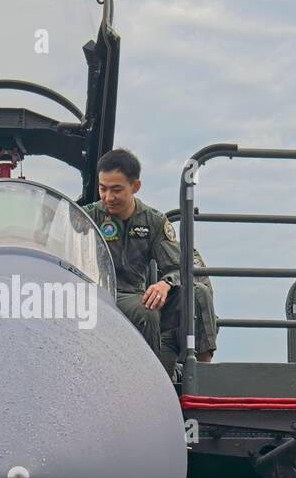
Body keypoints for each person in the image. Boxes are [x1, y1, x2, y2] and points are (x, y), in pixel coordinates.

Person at [82, 148, 182, 370]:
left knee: (193, 295)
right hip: (102, 294)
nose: (108, 197)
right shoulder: (87, 217)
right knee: (145, 312)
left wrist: (164, 284)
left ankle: (195, 371)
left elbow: (177, 268)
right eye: (103, 189)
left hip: (137, 293)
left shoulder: (153, 221)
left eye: (116, 189)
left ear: (135, 186)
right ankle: (150, 379)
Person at [161, 247, 219, 364]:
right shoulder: (149, 247)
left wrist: (169, 282)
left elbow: (202, 286)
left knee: (200, 293)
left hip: (187, 323)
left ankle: (203, 371)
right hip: (160, 323)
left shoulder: (187, 252)